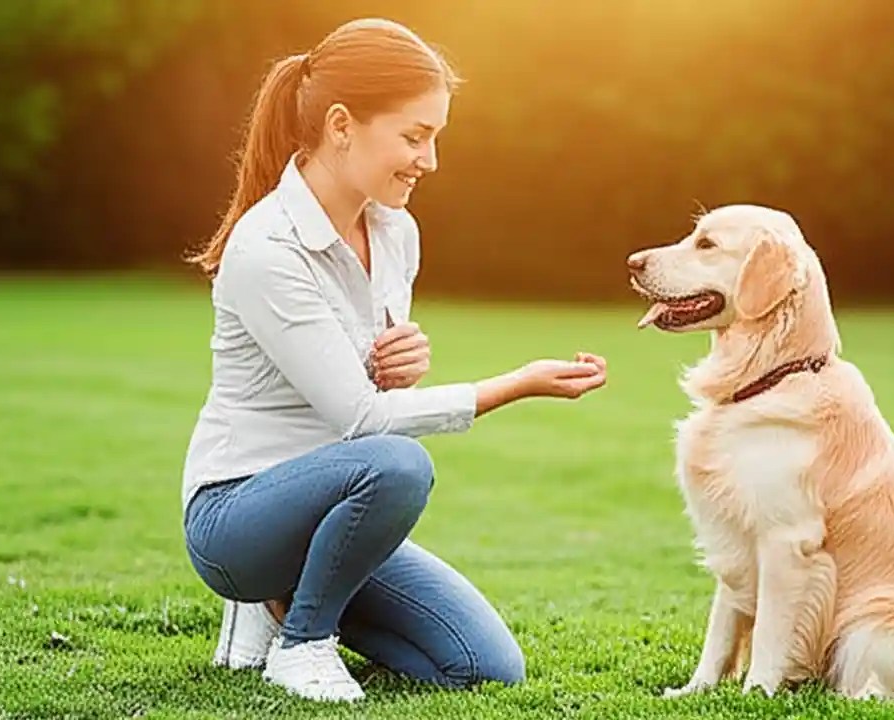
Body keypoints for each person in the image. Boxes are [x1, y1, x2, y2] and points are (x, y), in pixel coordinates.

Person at [180, 18, 607, 703]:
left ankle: (288, 600)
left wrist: (396, 365)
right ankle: (302, 643)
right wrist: (517, 384)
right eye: (415, 136)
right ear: (342, 125)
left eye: (434, 137)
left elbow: (366, 388)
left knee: (485, 665)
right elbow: (360, 417)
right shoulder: (268, 247)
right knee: (402, 464)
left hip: (334, 515)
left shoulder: (395, 230)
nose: (429, 160)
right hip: (237, 516)